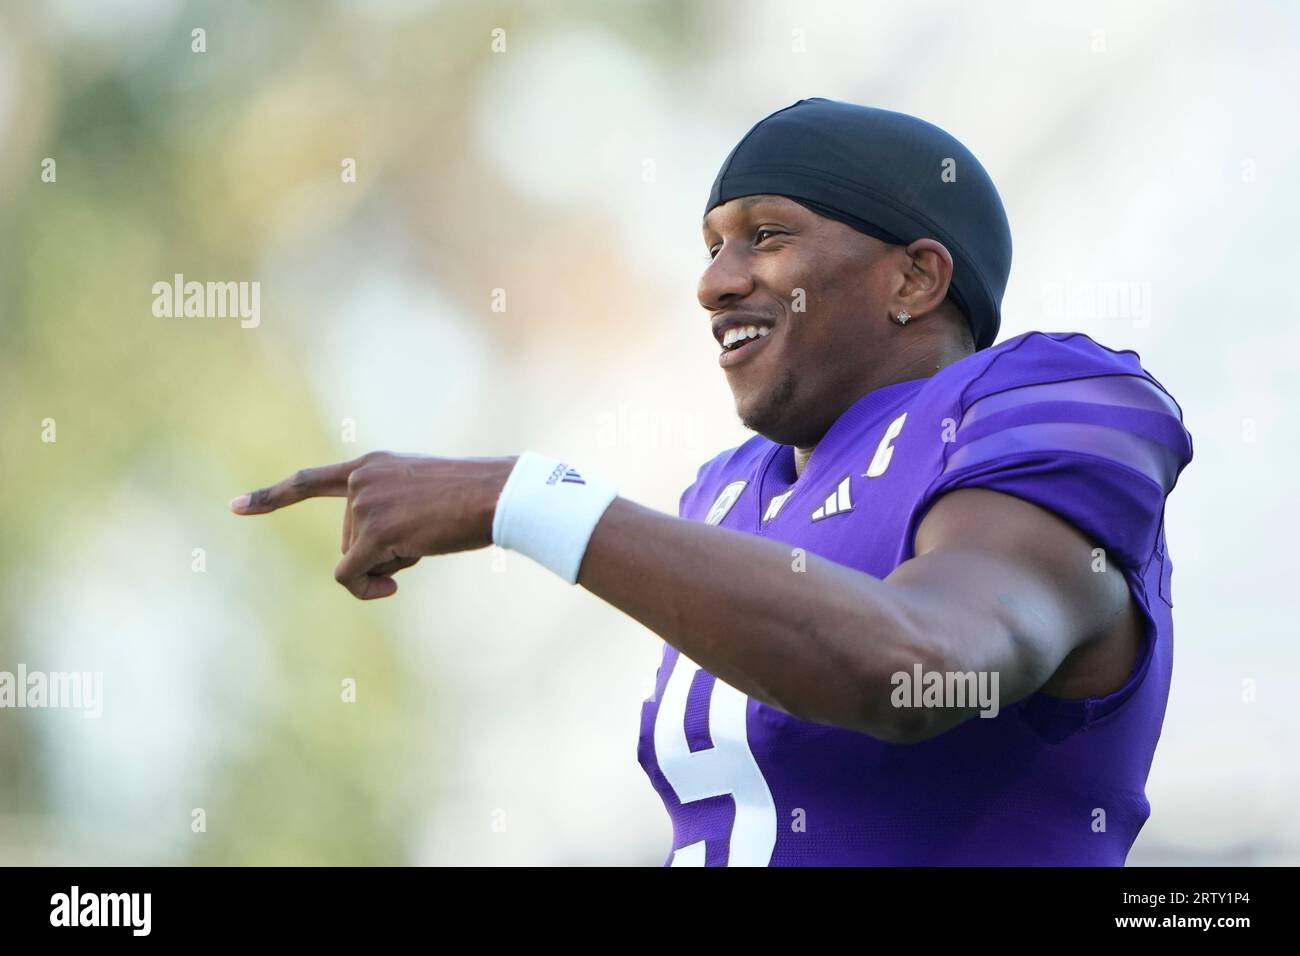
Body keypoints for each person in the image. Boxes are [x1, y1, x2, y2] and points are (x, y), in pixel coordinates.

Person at [231, 98, 1193, 866]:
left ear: (913, 279)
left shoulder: (1051, 397)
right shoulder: (730, 492)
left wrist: (526, 499)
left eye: (768, 235)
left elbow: (926, 666)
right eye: (712, 245)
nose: (715, 282)